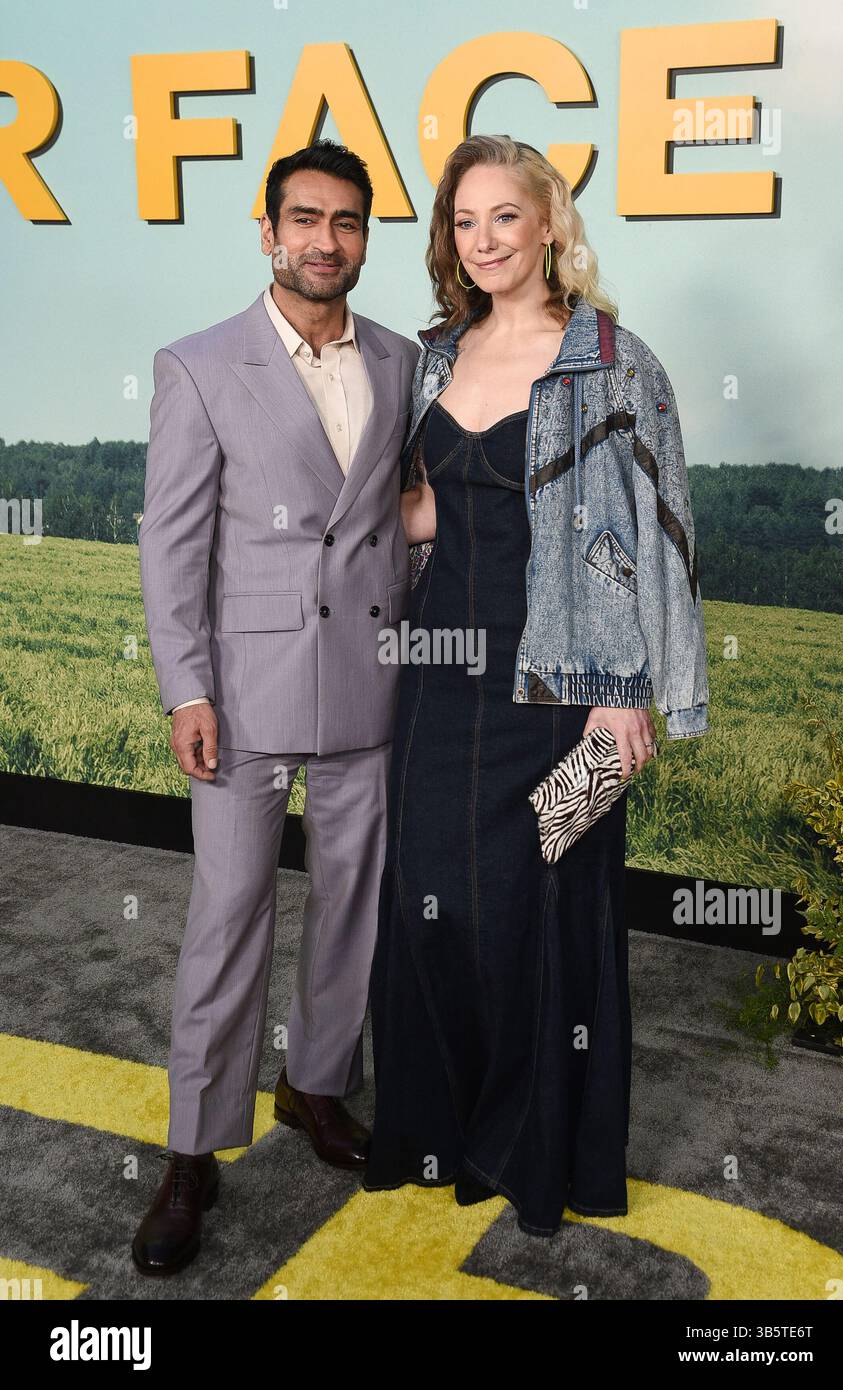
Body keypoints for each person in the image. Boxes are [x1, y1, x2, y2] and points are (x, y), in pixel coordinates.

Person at [362, 135, 710, 1237]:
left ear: (548, 224)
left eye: (504, 217)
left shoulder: (612, 360)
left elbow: (664, 533)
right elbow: (430, 509)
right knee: (429, 899)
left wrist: (632, 693)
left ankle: (537, 1154)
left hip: (569, 685)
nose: (484, 241)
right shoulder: (430, 356)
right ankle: (438, 1130)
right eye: (465, 223)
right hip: (436, 676)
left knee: (542, 910)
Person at [133, 140, 418, 1275]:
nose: (324, 241)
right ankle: (194, 1150)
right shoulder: (198, 364)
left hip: (370, 681)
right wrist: (185, 686)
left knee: (352, 902)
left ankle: (314, 1087)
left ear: (361, 239)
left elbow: (395, 513)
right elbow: (174, 542)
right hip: (241, 699)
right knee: (229, 915)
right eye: (305, 219)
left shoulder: (398, 360)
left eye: (346, 223)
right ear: (267, 231)